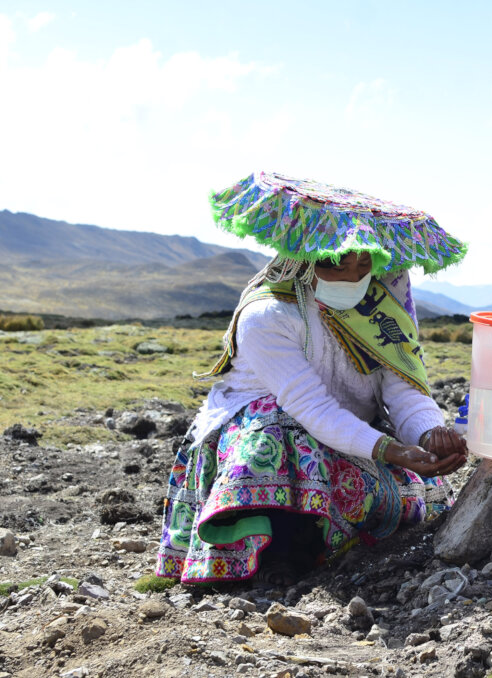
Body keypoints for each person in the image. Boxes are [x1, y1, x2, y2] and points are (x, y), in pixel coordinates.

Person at [155, 171, 468, 586]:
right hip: (271, 438)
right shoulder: (266, 315)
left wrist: (430, 435)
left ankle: (335, 543)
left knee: (401, 485)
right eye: (335, 262)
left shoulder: (381, 312)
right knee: (279, 424)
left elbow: (403, 389)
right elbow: (312, 407)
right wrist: (391, 450)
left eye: (363, 264)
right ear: (306, 256)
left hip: (352, 436)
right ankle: (280, 554)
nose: (351, 275)